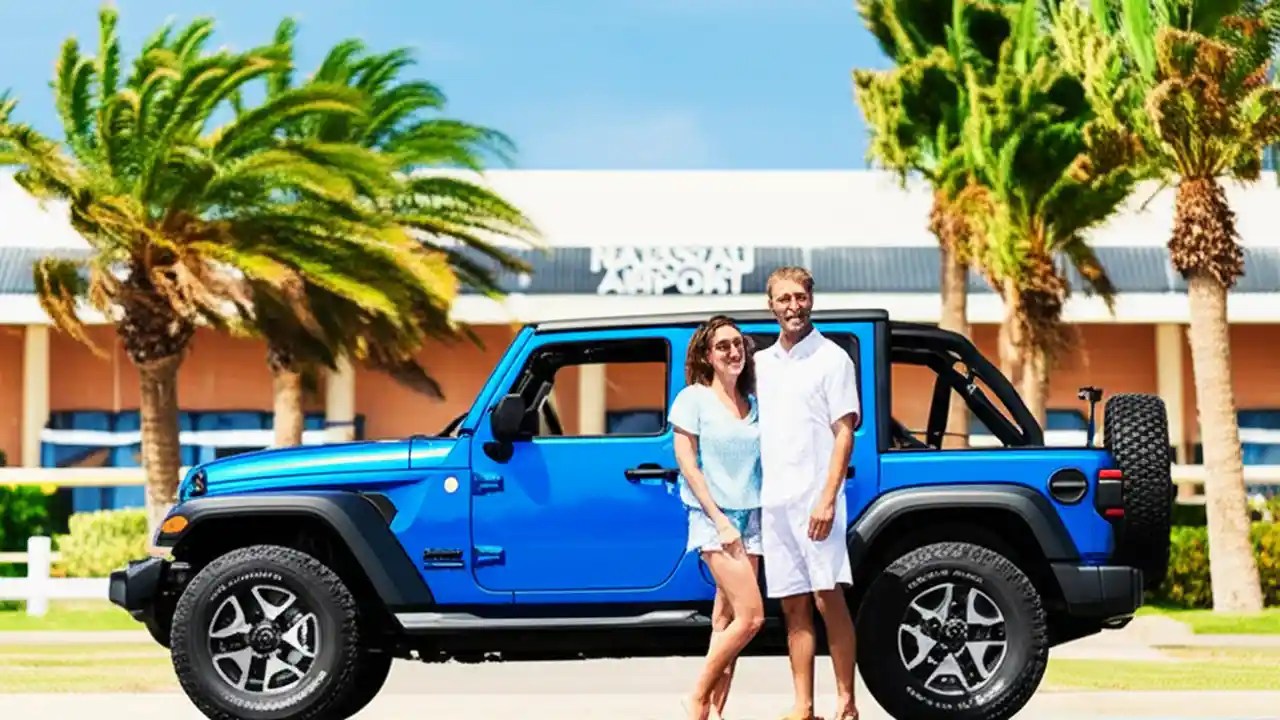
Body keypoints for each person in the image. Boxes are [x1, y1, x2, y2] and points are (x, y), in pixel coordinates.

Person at [755, 266, 860, 720]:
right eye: (784, 299)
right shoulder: (760, 364)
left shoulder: (833, 359)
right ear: (771, 305)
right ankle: (803, 707)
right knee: (793, 605)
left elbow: (844, 434)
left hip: (818, 503)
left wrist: (827, 499)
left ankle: (847, 703)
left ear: (811, 300)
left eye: (800, 297)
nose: (792, 306)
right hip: (774, 506)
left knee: (827, 596)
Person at [669, 314, 767, 720]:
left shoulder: (755, 403)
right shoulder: (693, 398)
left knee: (725, 620)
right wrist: (720, 520)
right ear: (708, 356)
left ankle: (712, 711)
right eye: (723, 346)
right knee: (752, 618)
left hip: (753, 516)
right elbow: (687, 463)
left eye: (737, 344)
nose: (733, 351)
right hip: (715, 518)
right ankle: (696, 695)